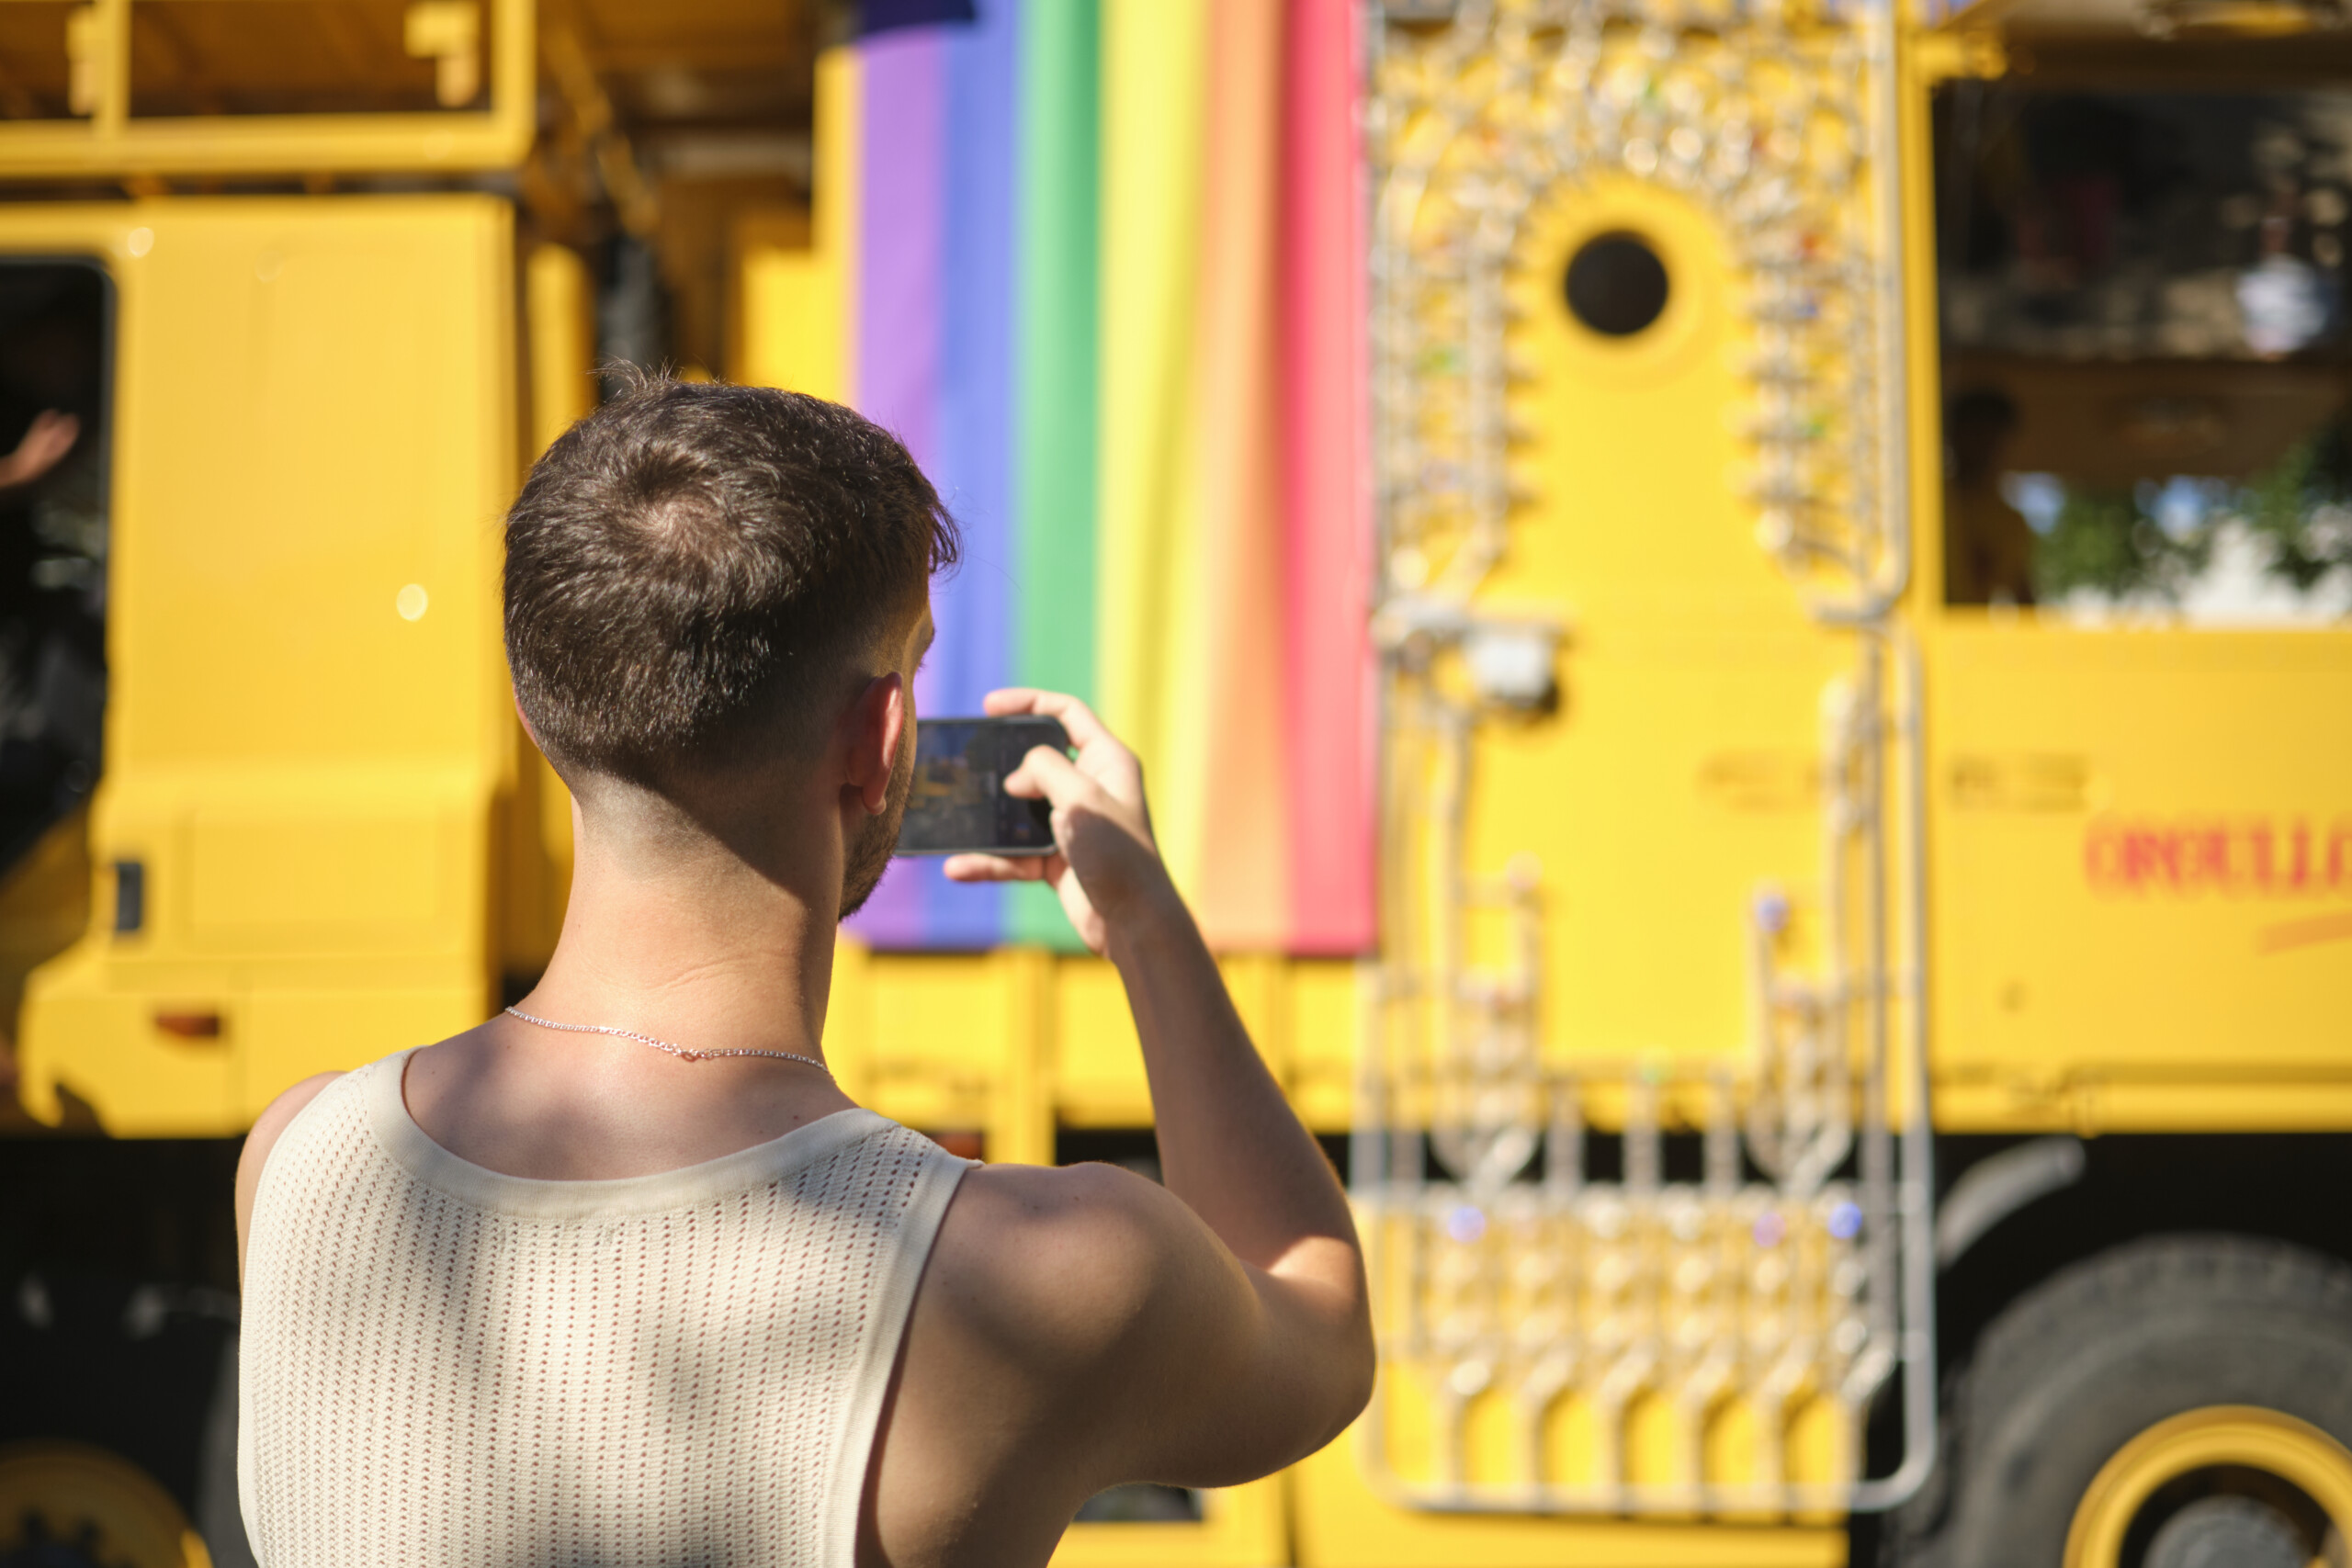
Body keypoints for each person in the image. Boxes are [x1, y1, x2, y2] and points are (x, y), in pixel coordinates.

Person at [231, 375, 1374, 1568]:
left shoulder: (297, 1159)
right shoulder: (1032, 1274)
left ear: (535, 707)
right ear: (879, 741)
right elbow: (1324, 1330)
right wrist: (1146, 925)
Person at [1942, 387, 2038, 607]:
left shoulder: (2010, 522)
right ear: (1953, 435)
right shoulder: (1926, 501)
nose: (1984, 446)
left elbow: (2024, 597)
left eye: (1993, 436)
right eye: (1975, 432)